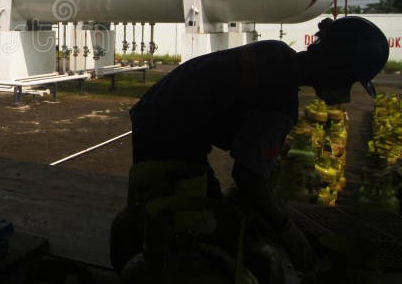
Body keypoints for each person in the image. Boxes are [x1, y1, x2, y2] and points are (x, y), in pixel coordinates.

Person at [124, 16, 389, 274]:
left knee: (192, 207)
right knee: (185, 218)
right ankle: (150, 266)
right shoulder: (279, 105)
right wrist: (287, 229)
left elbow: (235, 106)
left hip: (163, 112)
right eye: (350, 81)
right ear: (336, 68)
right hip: (166, 127)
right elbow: (247, 177)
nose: (345, 91)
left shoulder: (276, 50)